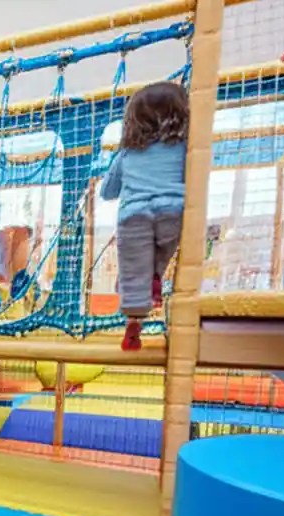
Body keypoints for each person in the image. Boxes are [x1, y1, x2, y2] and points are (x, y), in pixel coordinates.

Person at [101, 81, 190, 350]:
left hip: (134, 215)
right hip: (172, 211)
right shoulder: (186, 148)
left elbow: (107, 191)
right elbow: (194, 177)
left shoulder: (128, 153)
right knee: (161, 255)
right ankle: (154, 276)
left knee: (133, 275)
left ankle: (133, 327)